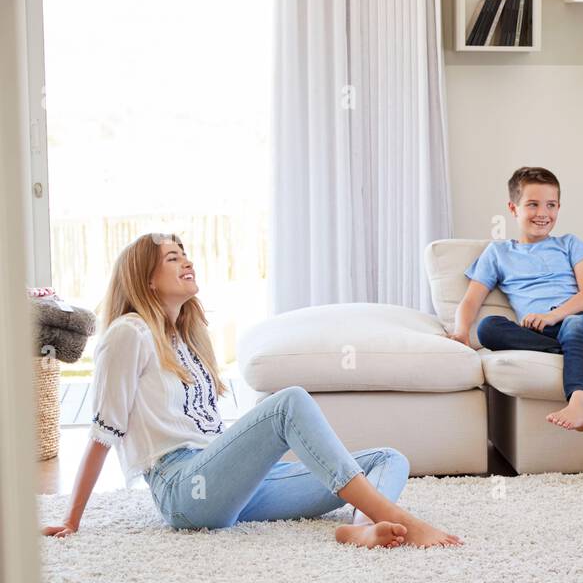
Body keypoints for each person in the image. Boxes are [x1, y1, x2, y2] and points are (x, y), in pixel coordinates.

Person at [42, 234, 461, 548]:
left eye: (185, 253)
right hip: (185, 489)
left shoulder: (187, 339)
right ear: (146, 280)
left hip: (236, 487)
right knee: (289, 402)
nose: (187, 261)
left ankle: (363, 526)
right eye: (173, 257)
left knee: (388, 458)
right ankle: (395, 516)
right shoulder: (128, 333)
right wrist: (72, 519)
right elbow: (103, 432)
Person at [451, 166, 583, 432]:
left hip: (580, 320)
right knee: (489, 327)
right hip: (539, 331)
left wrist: (553, 314)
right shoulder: (498, 252)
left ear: (559, 208)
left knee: (574, 326)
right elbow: (470, 301)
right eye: (532, 205)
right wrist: (461, 332)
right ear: (513, 209)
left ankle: (580, 401)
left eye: (551, 205)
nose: (543, 214)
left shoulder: (569, 244)